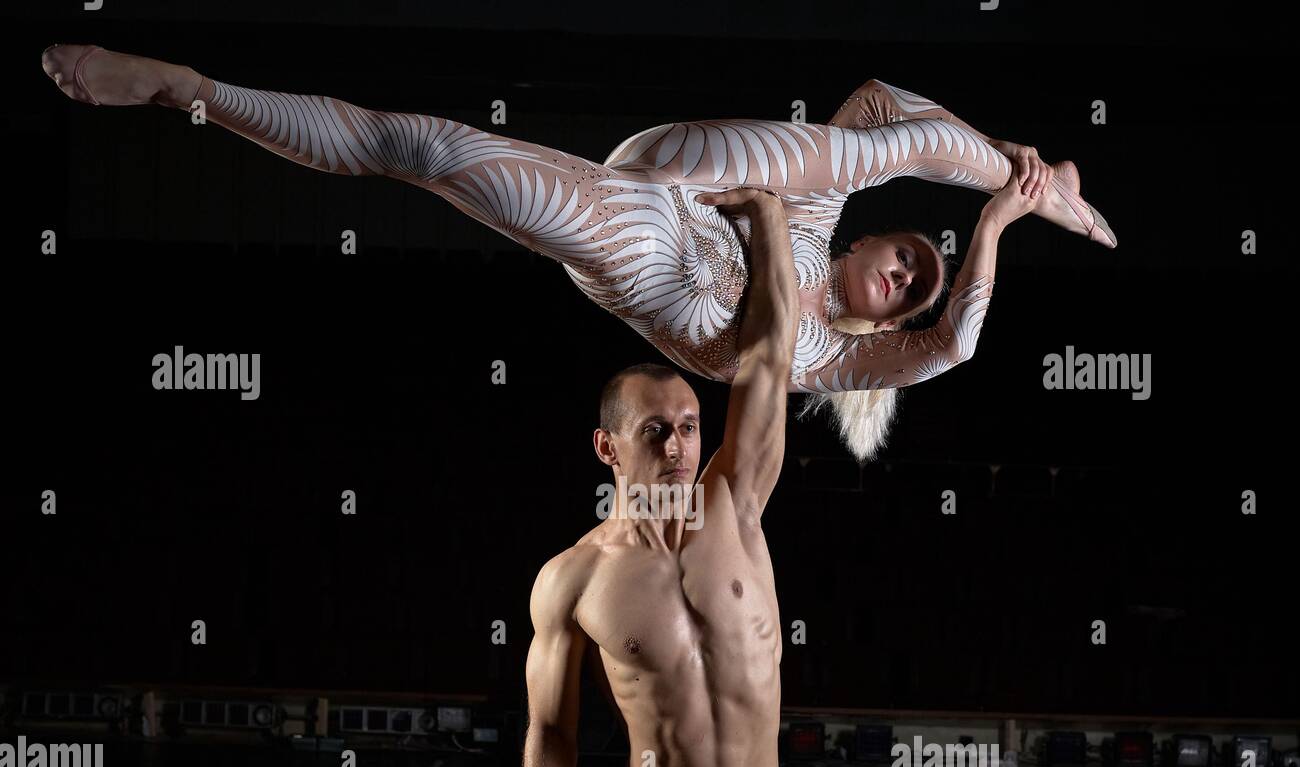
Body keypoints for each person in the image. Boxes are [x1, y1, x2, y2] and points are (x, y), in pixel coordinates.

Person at [496, 175, 1042, 767]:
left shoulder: (736, 504)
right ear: (607, 448)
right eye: (656, 432)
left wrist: (768, 224)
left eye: (687, 426)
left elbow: (770, 353)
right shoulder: (574, 580)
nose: (680, 445)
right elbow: (549, 735)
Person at [42, 45, 1114, 459]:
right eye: (912, 259)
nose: (909, 278)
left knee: (418, 146)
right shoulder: (830, 199)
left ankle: (188, 91)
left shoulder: (833, 356)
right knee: (869, 141)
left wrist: (990, 227)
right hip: (692, 172)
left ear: (883, 320)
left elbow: (955, 349)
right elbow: (885, 99)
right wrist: (1010, 170)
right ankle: (1039, 176)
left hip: (645, 241)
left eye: (912, 292)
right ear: (881, 239)